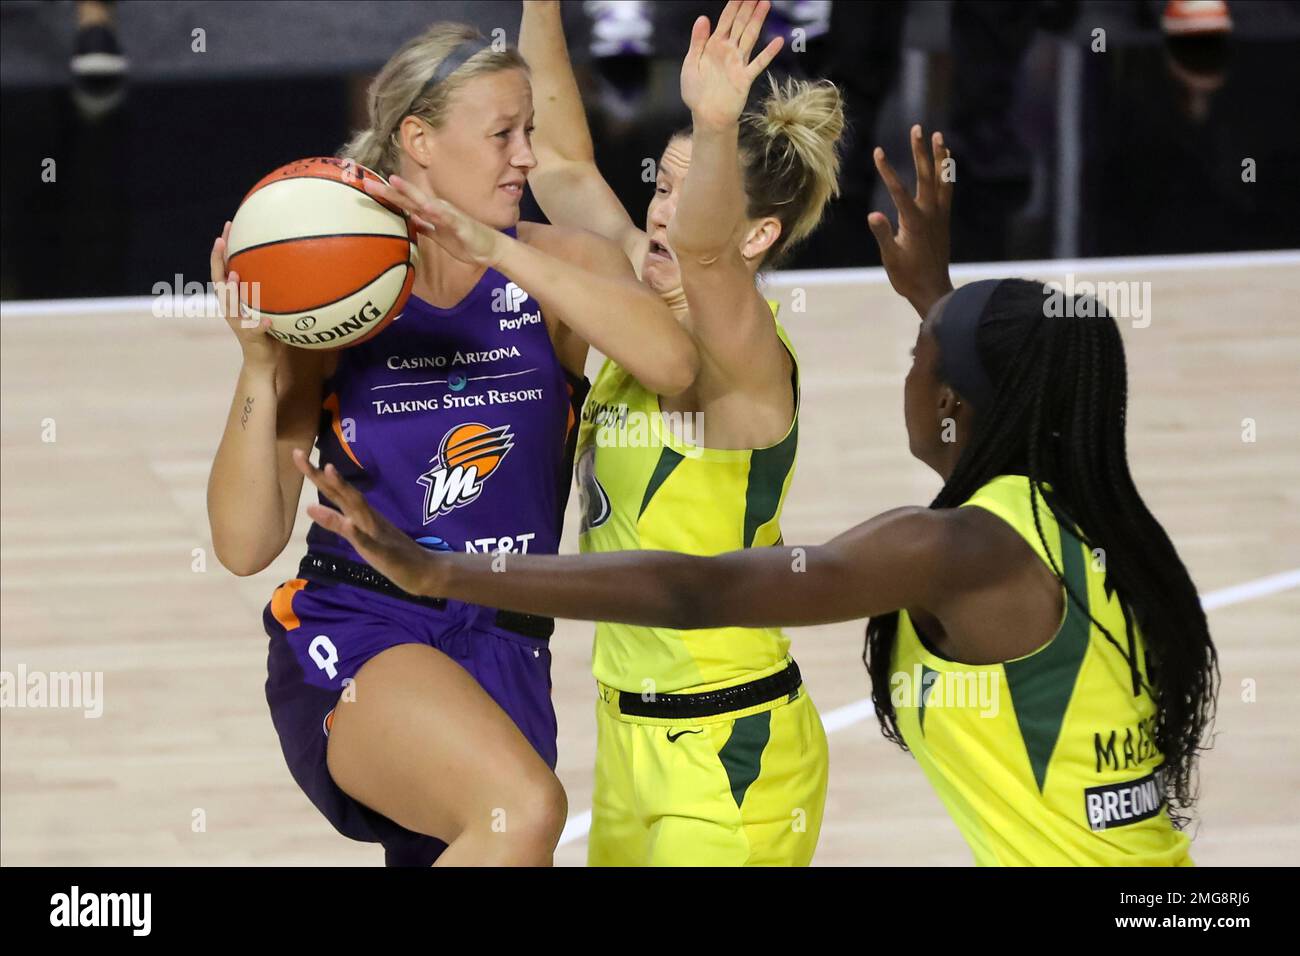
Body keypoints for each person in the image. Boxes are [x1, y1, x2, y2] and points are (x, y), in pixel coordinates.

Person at [293, 125, 1219, 866]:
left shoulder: (957, 550)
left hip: (729, 759)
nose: (903, 373)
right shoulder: (1070, 508)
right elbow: (575, 167)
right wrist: (934, 297)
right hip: (636, 741)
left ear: (951, 403)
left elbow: (697, 590)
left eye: (917, 354)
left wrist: (440, 569)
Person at [207, 22, 697, 866]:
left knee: (498, 830)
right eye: (503, 134)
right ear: (419, 141)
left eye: (531, 133)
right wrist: (260, 367)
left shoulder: (558, 265)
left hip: (509, 642)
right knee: (521, 809)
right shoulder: (336, 291)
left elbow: (673, 363)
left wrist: (502, 250)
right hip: (363, 622)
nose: (525, 158)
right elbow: (245, 544)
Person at [517, 0, 844, 864]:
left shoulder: (746, 362)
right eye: (661, 184)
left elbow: (703, 255)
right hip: (627, 741)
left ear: (759, 234)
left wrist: (713, 122)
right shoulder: (633, 287)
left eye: (686, 192)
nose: (661, 212)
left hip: (729, 754)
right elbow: (556, 159)